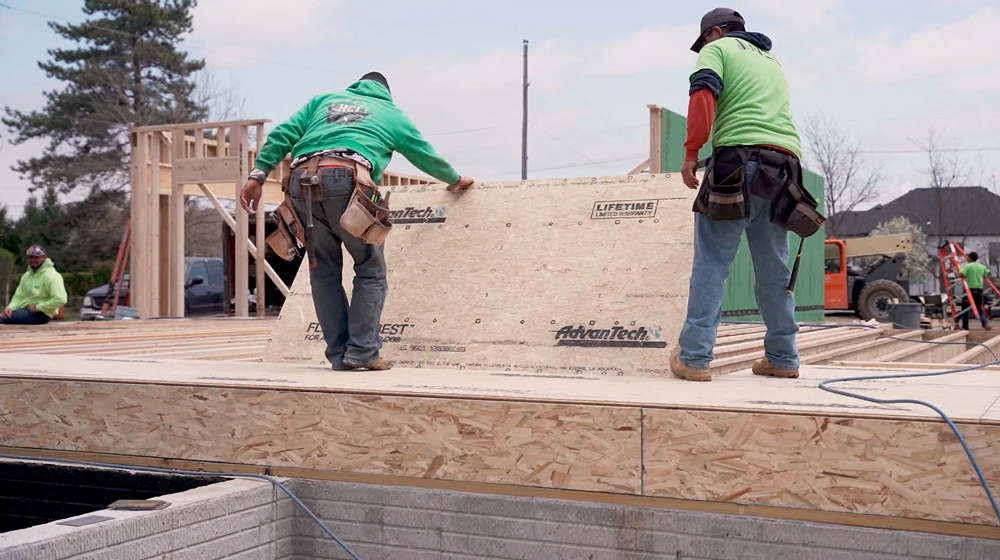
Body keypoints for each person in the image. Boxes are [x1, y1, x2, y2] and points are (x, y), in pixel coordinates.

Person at [240, 72, 474, 371]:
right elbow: (422, 154)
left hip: (300, 183)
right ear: (386, 92)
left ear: (357, 87)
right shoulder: (391, 114)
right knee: (370, 269)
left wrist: (258, 174)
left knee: (323, 271)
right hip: (348, 182)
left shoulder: (323, 101)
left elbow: (283, 133)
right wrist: (454, 179)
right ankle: (362, 351)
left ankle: (339, 356)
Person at [671, 8, 804, 381]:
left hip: (736, 164)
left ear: (715, 32)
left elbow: (702, 97)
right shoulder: (772, 61)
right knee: (774, 270)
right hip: (783, 167)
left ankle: (694, 358)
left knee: (712, 263)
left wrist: (691, 153)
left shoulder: (717, 50)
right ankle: (783, 357)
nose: (705, 47)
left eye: (705, 40)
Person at [2, 245, 67, 325]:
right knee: (5, 316)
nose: (33, 260)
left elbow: (61, 299)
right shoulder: (26, 276)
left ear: (44, 258)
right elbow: (19, 296)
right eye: (31, 257)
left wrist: (37, 307)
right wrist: (10, 307)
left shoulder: (52, 276)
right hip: (25, 310)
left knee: (5, 319)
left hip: (42, 314)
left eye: (37, 257)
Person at [959, 252, 992, 331]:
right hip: (979, 290)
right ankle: (984, 323)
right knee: (979, 308)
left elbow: (961, 274)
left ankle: (965, 327)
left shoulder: (967, 266)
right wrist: (983, 275)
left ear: (970, 258)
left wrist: (956, 273)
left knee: (965, 309)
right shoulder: (981, 266)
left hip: (968, 290)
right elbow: (989, 272)